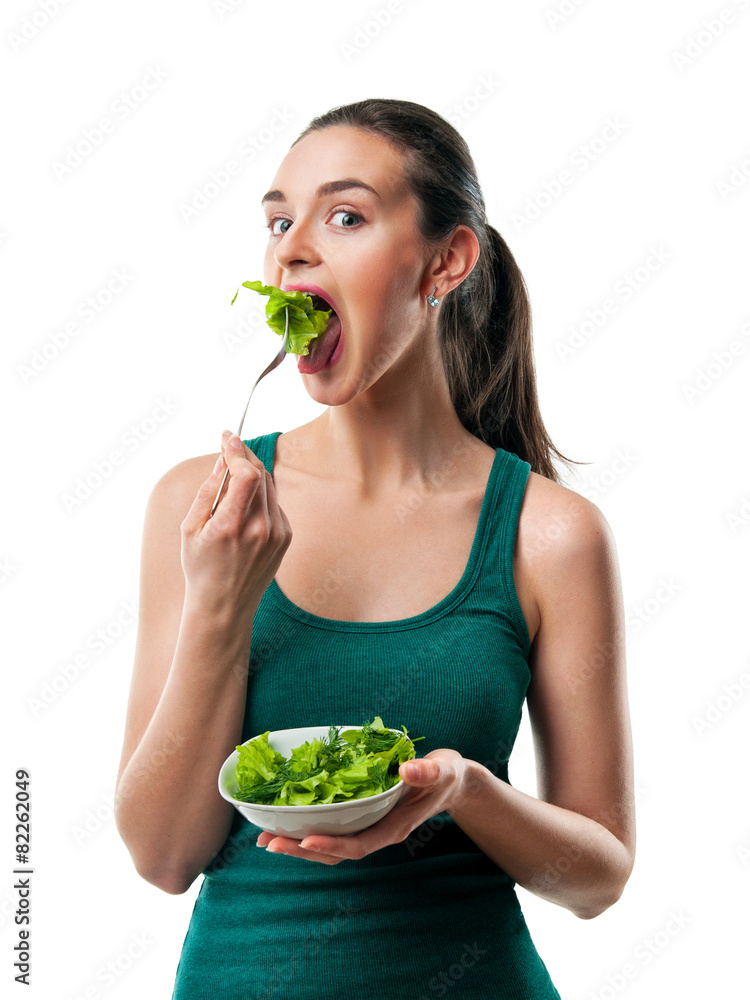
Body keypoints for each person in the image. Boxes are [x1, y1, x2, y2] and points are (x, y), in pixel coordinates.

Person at [115, 98, 635, 1000]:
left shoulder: (549, 533)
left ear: (448, 261)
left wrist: (465, 791)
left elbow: (597, 879)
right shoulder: (200, 510)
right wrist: (220, 611)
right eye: (279, 221)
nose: (291, 249)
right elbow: (162, 857)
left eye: (344, 216)